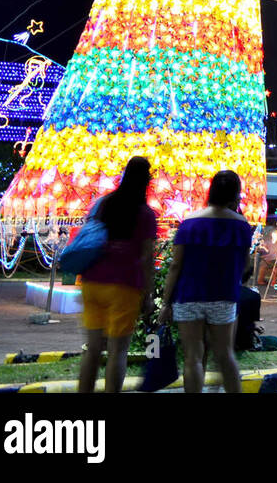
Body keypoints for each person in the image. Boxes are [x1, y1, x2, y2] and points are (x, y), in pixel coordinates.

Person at [157, 170, 253, 393]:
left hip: (189, 297)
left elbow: (175, 266)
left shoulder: (189, 223)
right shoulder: (241, 225)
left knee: (193, 358)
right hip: (224, 296)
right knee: (225, 356)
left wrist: (166, 302)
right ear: (235, 193)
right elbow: (246, 265)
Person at [78, 156, 157, 394]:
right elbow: (146, 258)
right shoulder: (145, 213)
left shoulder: (104, 204)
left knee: (92, 349)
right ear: (147, 180)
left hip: (92, 281)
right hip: (124, 286)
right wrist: (149, 294)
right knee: (117, 350)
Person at [235, 264, 263, 352]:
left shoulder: (221, 294)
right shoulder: (254, 296)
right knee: (275, 341)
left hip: (219, 339)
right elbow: (251, 319)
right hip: (244, 341)